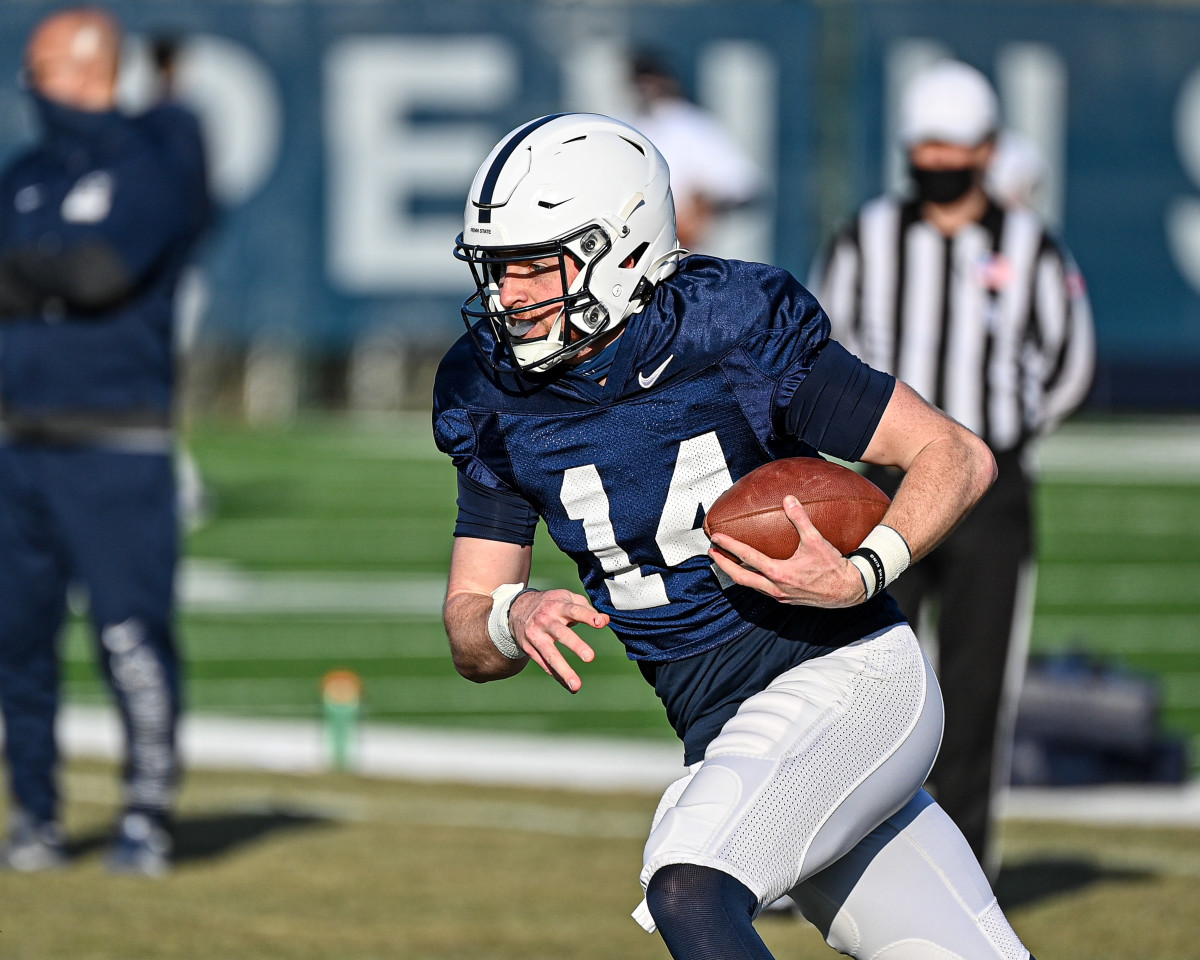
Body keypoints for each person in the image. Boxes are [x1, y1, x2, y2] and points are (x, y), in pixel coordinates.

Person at [434, 112, 1038, 960]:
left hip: (851, 677)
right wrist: (512, 614)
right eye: (497, 271)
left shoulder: (729, 330)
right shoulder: (487, 390)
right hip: (724, 723)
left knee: (689, 883)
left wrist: (865, 569)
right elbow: (469, 618)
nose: (510, 297)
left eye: (536, 267)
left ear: (624, 248)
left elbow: (955, 454)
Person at [810, 60, 1095, 874]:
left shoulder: (1031, 246)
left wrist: (1008, 438)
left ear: (986, 150)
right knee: (857, 674)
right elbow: (828, 347)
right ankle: (825, 854)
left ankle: (962, 868)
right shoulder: (869, 236)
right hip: (887, 481)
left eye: (952, 145)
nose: (937, 161)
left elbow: (1070, 360)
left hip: (991, 487)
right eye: (925, 145)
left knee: (975, 687)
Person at [0, 7, 209, 875]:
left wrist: (31, 270)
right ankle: (38, 817)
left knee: (132, 641)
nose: (26, 87)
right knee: (17, 642)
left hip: (117, 447)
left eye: (37, 70)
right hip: (19, 445)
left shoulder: (156, 155)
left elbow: (102, 275)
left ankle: (145, 813)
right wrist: (50, 268)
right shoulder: (25, 172)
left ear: (87, 72)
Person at [628, 51, 761, 252]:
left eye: (651, 81)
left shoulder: (692, 125)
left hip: (684, 251)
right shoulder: (625, 123)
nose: (646, 89)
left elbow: (745, 186)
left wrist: (704, 205)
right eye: (641, 82)